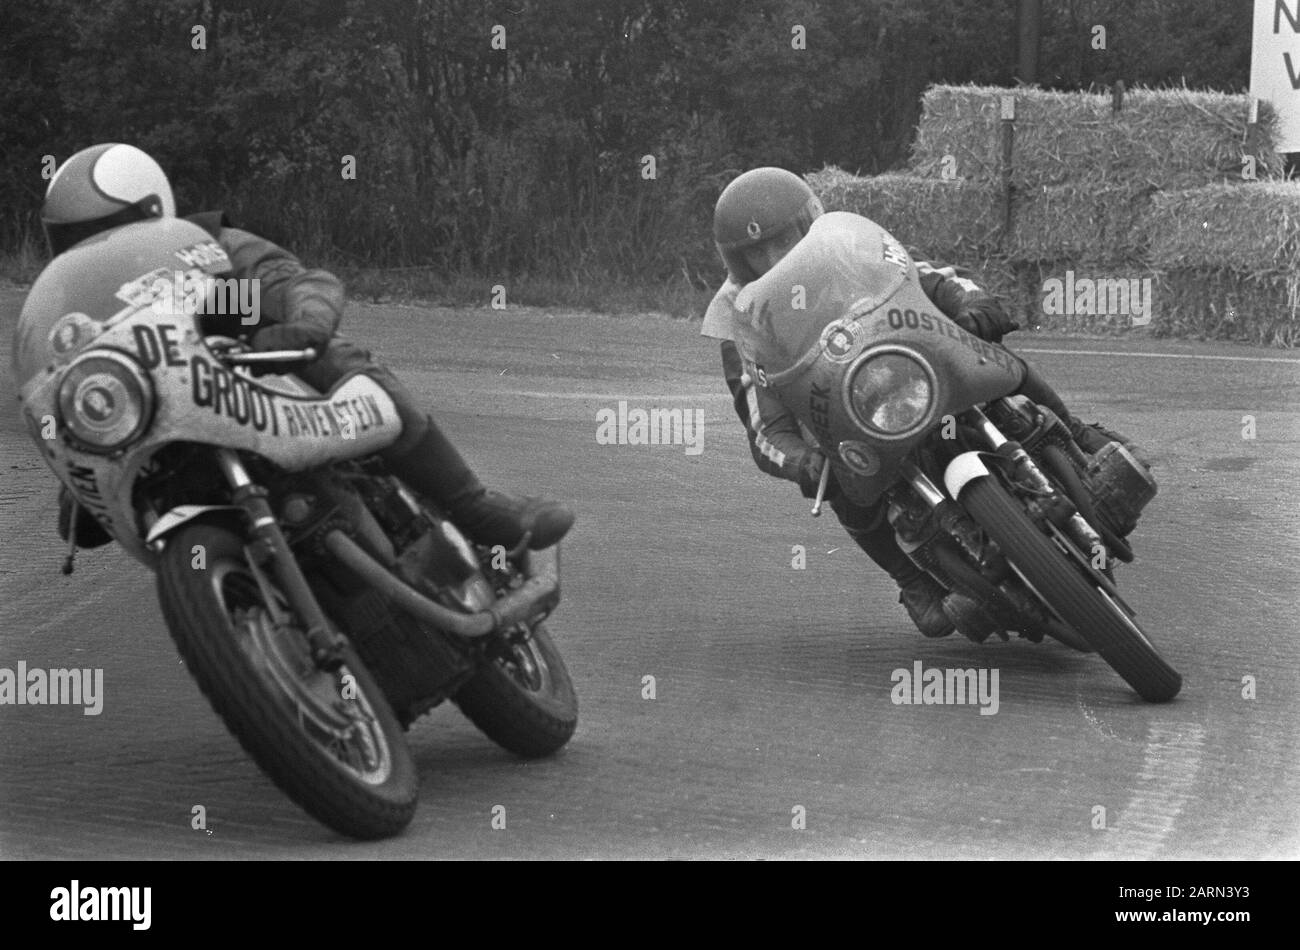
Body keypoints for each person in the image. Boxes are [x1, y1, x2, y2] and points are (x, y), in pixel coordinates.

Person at [41, 143, 574, 552]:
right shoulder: (79, 309)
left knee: (339, 358)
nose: (95, 252)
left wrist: (305, 323)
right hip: (163, 422)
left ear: (154, 211)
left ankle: (474, 508)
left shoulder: (208, 254)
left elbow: (293, 281)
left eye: (108, 233)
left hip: (253, 386)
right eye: (76, 243)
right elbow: (57, 380)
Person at [701, 167, 1142, 640]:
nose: (776, 257)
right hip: (843, 413)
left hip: (916, 362)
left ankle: (1075, 435)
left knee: (987, 352)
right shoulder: (737, 319)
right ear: (737, 263)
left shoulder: (850, 248)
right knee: (841, 486)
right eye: (757, 254)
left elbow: (933, 278)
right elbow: (763, 428)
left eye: (784, 240)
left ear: (811, 223)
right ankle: (911, 579)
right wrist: (802, 461)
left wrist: (973, 304)